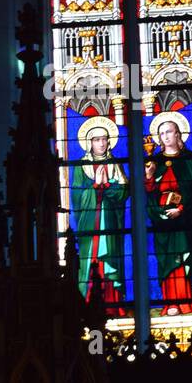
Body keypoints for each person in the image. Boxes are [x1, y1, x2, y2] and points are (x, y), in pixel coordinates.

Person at [143, 111, 192, 315]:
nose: (166, 136)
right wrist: (150, 176)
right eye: (161, 133)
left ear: (178, 134)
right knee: (168, 260)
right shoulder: (156, 161)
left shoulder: (189, 159)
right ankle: (171, 302)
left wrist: (181, 209)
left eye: (169, 131)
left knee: (187, 257)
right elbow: (148, 193)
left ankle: (191, 302)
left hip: (186, 219)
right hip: (163, 222)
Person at [69, 116, 127, 313]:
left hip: (110, 222)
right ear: (89, 143)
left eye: (104, 139)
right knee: (90, 261)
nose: (101, 143)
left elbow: (123, 192)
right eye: (96, 139)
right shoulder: (81, 166)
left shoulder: (115, 164)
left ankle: (113, 306)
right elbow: (77, 196)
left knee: (110, 259)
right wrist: (95, 186)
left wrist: (108, 186)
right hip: (89, 225)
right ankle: (85, 304)